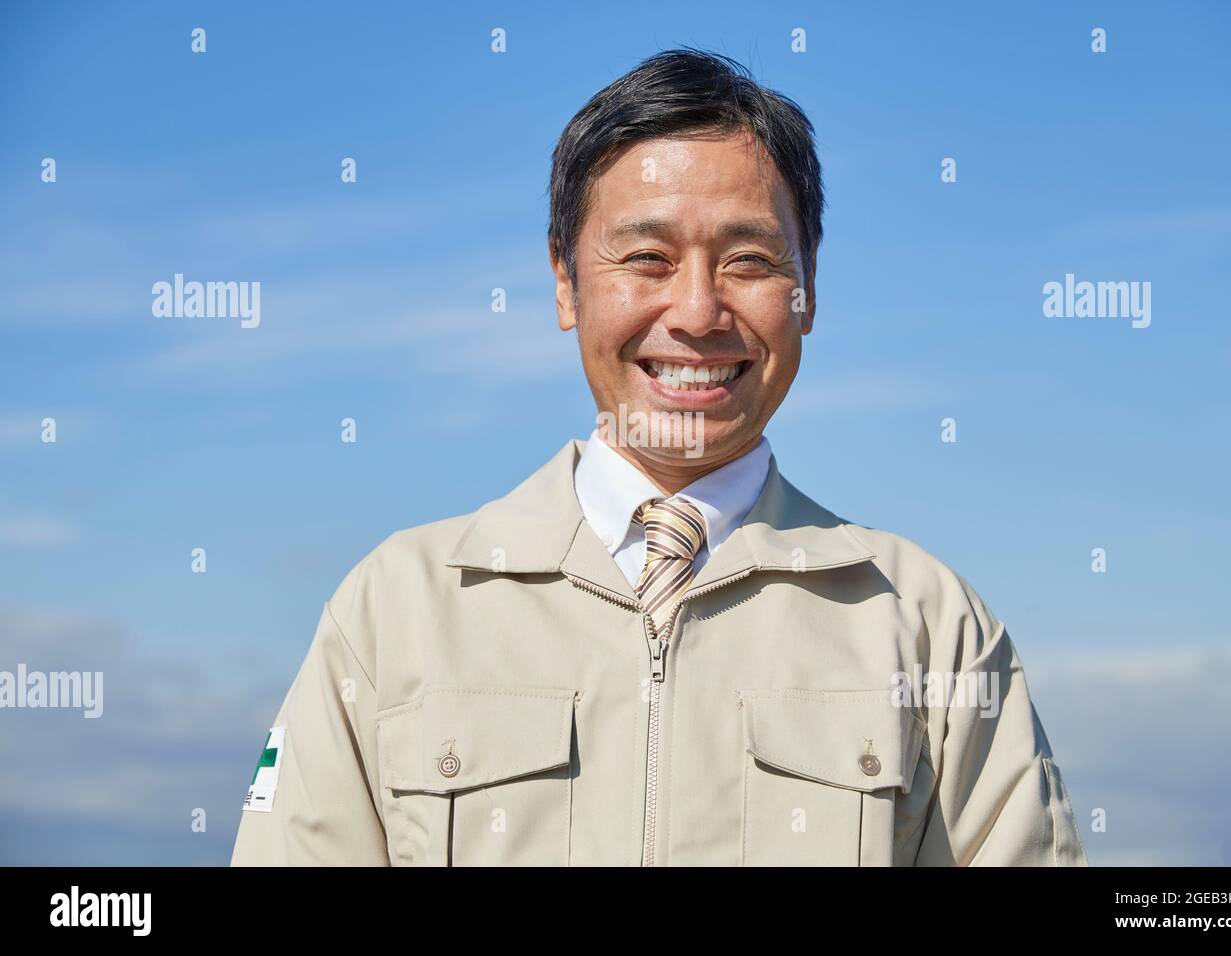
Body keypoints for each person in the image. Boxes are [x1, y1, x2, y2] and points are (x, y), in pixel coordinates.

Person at [231, 48, 1087, 867]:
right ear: (565, 281)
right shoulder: (393, 613)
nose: (698, 311)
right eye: (647, 259)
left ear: (808, 291)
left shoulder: (931, 629)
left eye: (749, 262)